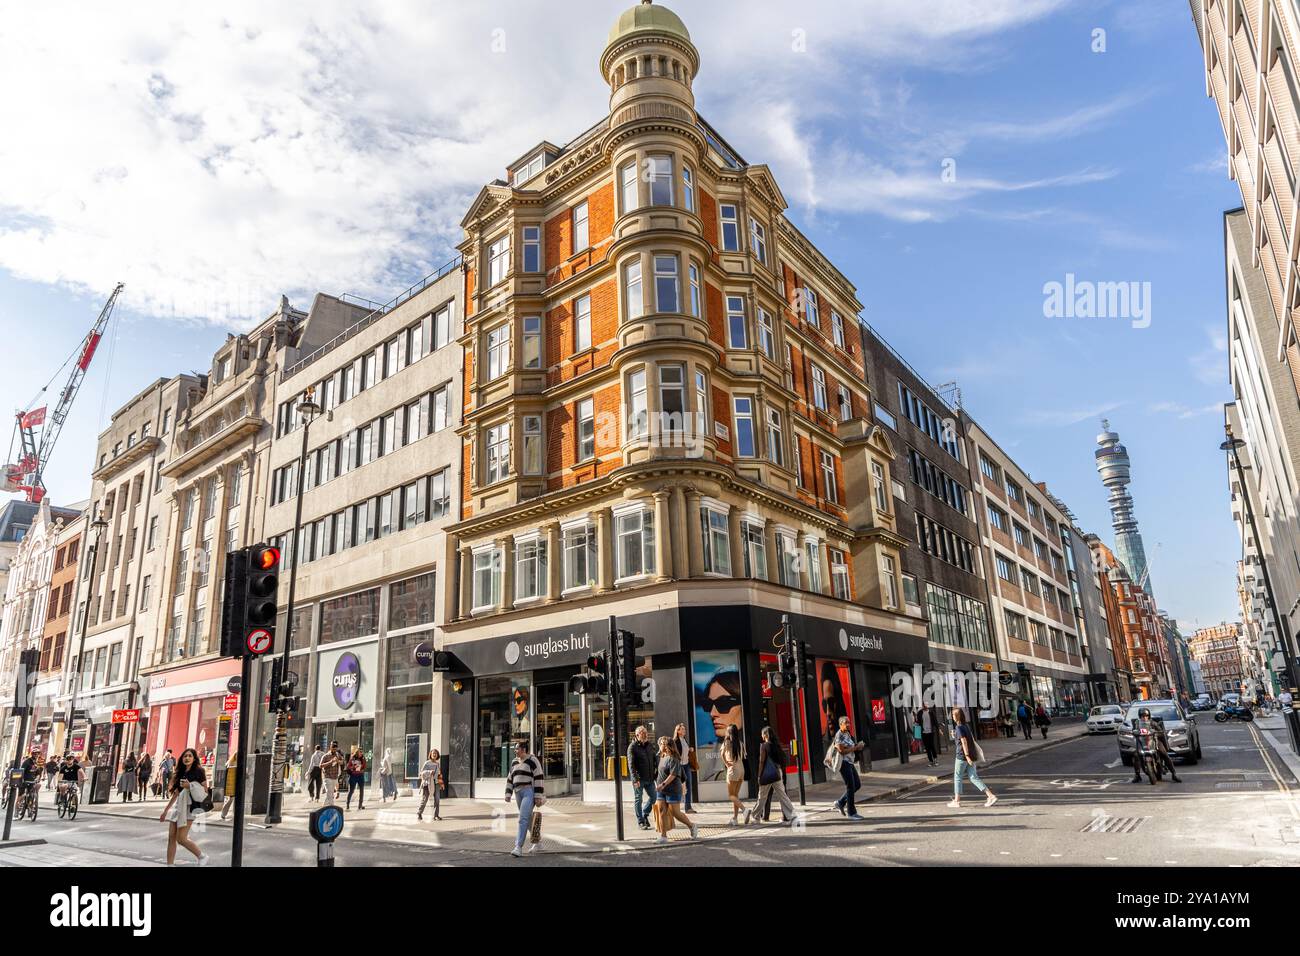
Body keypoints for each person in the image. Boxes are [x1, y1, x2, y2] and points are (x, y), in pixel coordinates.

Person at [160, 747, 209, 866]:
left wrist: (190, 786)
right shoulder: (181, 772)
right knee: (171, 837)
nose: (187, 758)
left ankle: (202, 856)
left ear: (194, 758)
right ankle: (170, 864)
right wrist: (165, 811)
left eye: (190, 756)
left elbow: (205, 790)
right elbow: (176, 793)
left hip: (190, 807)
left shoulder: (199, 771)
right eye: (185, 756)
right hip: (178, 806)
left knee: (181, 838)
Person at [948, 707, 997, 809]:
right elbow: (966, 739)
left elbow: (964, 742)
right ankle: (991, 796)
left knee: (957, 777)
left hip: (962, 756)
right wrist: (955, 736)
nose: (952, 716)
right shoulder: (966, 726)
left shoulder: (959, 727)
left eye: (953, 715)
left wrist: (966, 756)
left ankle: (956, 801)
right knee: (973, 777)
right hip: (971, 755)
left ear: (956, 716)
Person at [653, 735, 697, 844]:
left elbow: (673, 775)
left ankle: (692, 826)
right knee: (662, 811)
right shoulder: (662, 757)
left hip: (672, 789)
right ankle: (663, 836)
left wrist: (662, 784)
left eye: (662, 743)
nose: (660, 745)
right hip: (661, 790)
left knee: (675, 813)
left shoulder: (674, 759)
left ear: (668, 746)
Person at [505, 740, 545, 857]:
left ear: (523, 750)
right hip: (518, 793)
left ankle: (518, 847)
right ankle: (538, 842)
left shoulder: (532, 760)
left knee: (522, 818)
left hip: (529, 792)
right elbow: (510, 778)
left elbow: (539, 776)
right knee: (527, 819)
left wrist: (538, 795)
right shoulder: (514, 762)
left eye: (517, 748)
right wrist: (508, 793)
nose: (515, 750)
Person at [750, 726, 795, 824]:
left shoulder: (764, 746)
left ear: (765, 735)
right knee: (782, 795)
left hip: (767, 774)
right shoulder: (776, 745)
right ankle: (792, 815)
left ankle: (756, 816)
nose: (761, 736)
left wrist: (759, 775)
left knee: (762, 796)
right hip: (777, 773)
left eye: (762, 734)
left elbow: (761, 762)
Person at [829, 716, 865, 820]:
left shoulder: (847, 733)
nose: (848, 724)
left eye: (849, 722)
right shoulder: (839, 735)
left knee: (857, 784)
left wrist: (858, 746)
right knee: (850, 786)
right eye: (846, 723)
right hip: (843, 763)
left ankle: (840, 802)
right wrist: (855, 748)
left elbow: (850, 747)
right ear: (841, 724)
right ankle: (851, 813)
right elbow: (841, 751)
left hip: (849, 762)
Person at [626, 725, 657, 831]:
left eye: (646, 733)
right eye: (643, 733)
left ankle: (644, 814)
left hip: (650, 778)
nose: (646, 735)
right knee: (638, 799)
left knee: (654, 797)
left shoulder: (649, 745)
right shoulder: (632, 747)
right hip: (639, 779)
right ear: (637, 735)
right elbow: (631, 765)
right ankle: (640, 821)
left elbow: (654, 760)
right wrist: (635, 779)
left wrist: (656, 774)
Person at [719, 723, 748, 826]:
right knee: (735, 796)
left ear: (729, 732)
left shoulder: (726, 743)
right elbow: (744, 756)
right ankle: (735, 818)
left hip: (732, 770)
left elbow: (721, 754)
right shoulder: (740, 743)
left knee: (731, 796)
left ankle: (744, 810)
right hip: (741, 770)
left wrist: (727, 764)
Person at [672, 723, 695, 813]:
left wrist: (690, 749)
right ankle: (675, 807)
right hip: (680, 766)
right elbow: (675, 754)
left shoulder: (684, 740)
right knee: (679, 787)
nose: (684, 730)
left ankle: (688, 807)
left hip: (686, 765)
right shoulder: (675, 741)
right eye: (682, 729)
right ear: (677, 731)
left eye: (684, 729)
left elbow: (684, 751)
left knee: (688, 786)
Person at [418, 749, 442, 821]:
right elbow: (421, 773)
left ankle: (436, 815)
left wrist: (441, 783)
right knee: (425, 799)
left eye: (436, 753)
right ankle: (419, 813)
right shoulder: (427, 763)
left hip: (436, 783)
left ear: (437, 755)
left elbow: (439, 774)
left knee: (437, 799)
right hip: (427, 783)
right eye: (433, 753)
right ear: (430, 755)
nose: (434, 755)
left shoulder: (437, 764)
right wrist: (429, 772)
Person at [320, 741, 343, 807]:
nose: (334, 750)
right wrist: (330, 761)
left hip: (334, 777)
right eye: (333, 749)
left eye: (335, 749)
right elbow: (320, 765)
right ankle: (331, 807)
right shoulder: (326, 756)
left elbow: (342, 762)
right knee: (329, 793)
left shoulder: (337, 755)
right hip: (327, 777)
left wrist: (338, 761)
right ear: (330, 748)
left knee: (330, 794)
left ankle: (324, 807)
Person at [345, 745, 367, 811]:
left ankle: (360, 805)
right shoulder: (353, 758)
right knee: (352, 790)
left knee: (362, 790)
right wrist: (354, 767)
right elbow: (348, 767)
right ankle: (347, 804)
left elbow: (364, 766)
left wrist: (362, 768)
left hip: (360, 775)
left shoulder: (363, 758)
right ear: (357, 752)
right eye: (360, 752)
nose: (361, 753)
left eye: (362, 752)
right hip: (353, 776)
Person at [219, 753, 239, 820]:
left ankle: (226, 814)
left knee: (231, 800)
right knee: (230, 799)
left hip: (232, 785)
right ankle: (223, 814)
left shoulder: (230, 763)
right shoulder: (231, 763)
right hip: (231, 785)